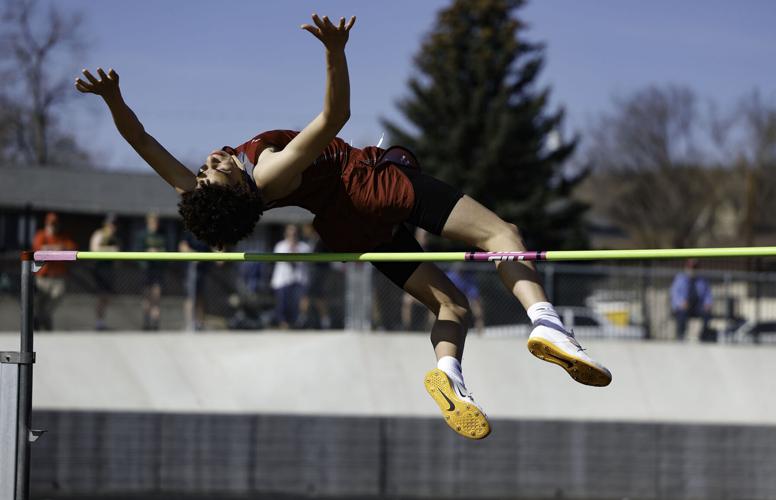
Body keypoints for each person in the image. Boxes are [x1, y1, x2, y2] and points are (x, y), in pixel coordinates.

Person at [75, 13, 611, 440]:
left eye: (204, 168)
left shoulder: (205, 196)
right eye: (214, 170)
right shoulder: (268, 171)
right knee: (502, 234)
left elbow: (142, 142)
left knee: (451, 305)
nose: (209, 161)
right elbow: (334, 119)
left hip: (347, 228)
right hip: (371, 188)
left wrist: (115, 101)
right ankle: (547, 323)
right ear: (238, 189)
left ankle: (450, 377)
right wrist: (335, 53)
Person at [31, 212, 76, 330]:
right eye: (51, 224)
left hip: (58, 277)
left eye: (55, 224)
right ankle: (41, 323)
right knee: (39, 302)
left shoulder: (63, 237)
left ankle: (44, 318)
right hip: (42, 277)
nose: (53, 227)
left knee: (57, 296)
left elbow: (71, 249)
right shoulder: (41, 235)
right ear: (46, 224)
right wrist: (57, 249)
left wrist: (54, 249)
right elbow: (39, 248)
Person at [270, 225, 311, 328]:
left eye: (294, 233)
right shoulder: (280, 246)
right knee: (282, 303)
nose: (292, 236)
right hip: (283, 280)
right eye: (290, 233)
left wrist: (295, 250)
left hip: (299, 280)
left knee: (297, 303)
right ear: (286, 234)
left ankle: (296, 323)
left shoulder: (304, 247)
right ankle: (283, 323)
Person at [134, 212, 166, 330]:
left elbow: (167, 249)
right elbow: (137, 252)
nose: (155, 225)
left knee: (156, 296)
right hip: (146, 269)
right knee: (146, 297)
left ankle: (155, 322)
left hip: (157, 269)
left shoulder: (161, 235)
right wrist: (148, 253)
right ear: (148, 222)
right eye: (153, 222)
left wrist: (158, 253)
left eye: (156, 222)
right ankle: (146, 321)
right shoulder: (142, 235)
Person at [299, 223, 334, 329]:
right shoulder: (308, 241)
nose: (304, 231)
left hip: (318, 271)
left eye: (306, 229)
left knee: (314, 296)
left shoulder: (320, 240)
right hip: (313, 271)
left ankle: (307, 319)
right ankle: (308, 319)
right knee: (316, 296)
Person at [89, 213, 120, 331]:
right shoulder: (99, 234)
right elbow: (94, 249)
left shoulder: (114, 238)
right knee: (101, 296)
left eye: (114, 225)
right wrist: (110, 250)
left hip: (109, 271)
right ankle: (98, 321)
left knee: (106, 297)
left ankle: (101, 321)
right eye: (110, 224)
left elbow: (118, 252)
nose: (112, 227)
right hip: (99, 270)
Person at [670, 259, 713, 341]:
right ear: (686, 268)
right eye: (690, 267)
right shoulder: (680, 279)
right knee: (682, 313)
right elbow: (674, 294)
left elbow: (708, 294)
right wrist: (681, 303)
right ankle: (681, 335)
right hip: (684, 307)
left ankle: (703, 336)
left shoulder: (702, 280)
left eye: (695, 268)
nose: (692, 270)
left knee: (707, 314)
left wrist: (708, 303)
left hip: (697, 307)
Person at [178, 231, 211, 331]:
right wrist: (193, 255)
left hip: (202, 270)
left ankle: (200, 323)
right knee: (189, 297)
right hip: (190, 270)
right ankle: (189, 323)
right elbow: (182, 247)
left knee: (200, 297)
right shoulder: (189, 233)